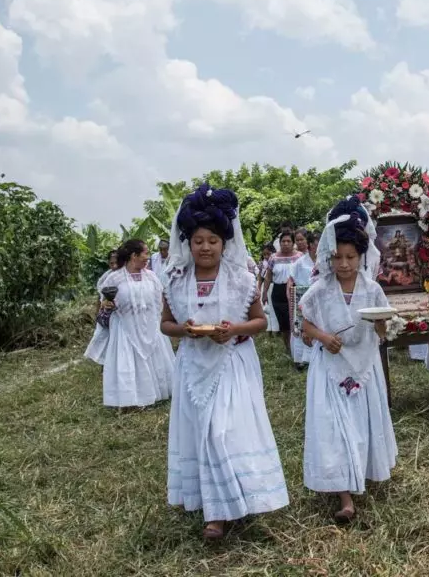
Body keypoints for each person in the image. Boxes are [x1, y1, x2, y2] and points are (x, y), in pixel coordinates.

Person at [160, 184, 288, 541]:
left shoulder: (241, 279)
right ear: (187, 242)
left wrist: (233, 329)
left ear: (225, 243)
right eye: (198, 240)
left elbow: (260, 322)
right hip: (192, 366)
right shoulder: (175, 280)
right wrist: (185, 330)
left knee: (224, 432)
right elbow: (165, 323)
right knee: (201, 433)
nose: (205, 247)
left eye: (213, 240)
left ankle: (232, 504)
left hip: (232, 363)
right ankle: (213, 509)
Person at [299, 211, 397, 524]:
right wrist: (324, 337)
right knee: (335, 428)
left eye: (351, 257)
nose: (344, 264)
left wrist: (382, 325)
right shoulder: (319, 291)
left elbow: (382, 333)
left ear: (361, 256)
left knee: (361, 423)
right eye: (338, 257)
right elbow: (305, 327)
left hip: (364, 368)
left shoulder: (373, 290)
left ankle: (362, 470)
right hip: (330, 369)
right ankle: (344, 496)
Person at [95, 239, 174, 408]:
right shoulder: (115, 278)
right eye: (145, 253)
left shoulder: (152, 277)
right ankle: (131, 399)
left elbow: (160, 299)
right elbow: (104, 301)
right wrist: (107, 304)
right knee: (128, 361)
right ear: (133, 256)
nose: (148, 257)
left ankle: (157, 393)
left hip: (150, 324)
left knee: (155, 357)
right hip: (125, 326)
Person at [260, 229, 302, 357]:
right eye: (283, 241)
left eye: (289, 241)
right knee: (284, 325)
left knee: (296, 322)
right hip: (278, 292)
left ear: (293, 243)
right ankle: (289, 349)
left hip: (295, 291)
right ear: (279, 243)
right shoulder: (274, 258)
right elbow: (268, 277)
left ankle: (300, 351)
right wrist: (264, 293)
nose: (286, 243)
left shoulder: (299, 256)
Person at [288, 230, 318, 370]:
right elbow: (291, 281)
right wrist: (292, 298)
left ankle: (317, 357)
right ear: (311, 245)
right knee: (302, 328)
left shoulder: (326, 261)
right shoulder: (300, 263)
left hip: (320, 299)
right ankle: (301, 360)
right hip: (302, 297)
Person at [84, 249, 119, 365]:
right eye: (111, 263)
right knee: (103, 338)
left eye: (116, 262)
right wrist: (100, 308)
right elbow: (100, 297)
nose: (114, 266)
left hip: (120, 314)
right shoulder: (106, 277)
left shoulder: (124, 275)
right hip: (107, 313)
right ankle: (105, 364)